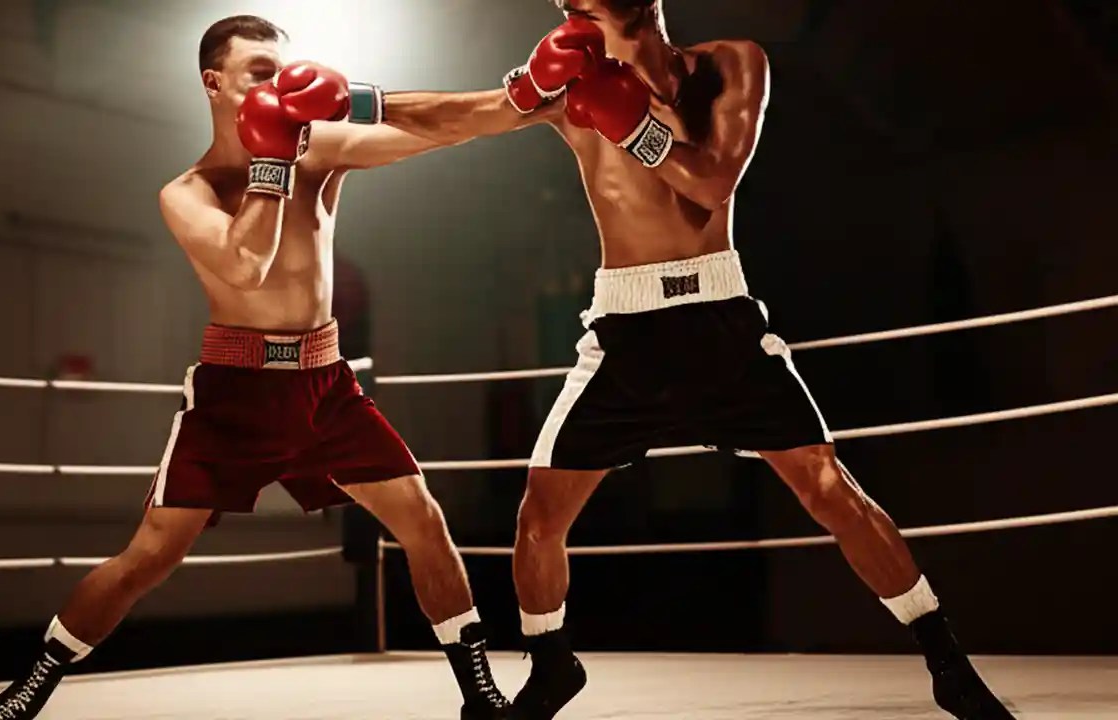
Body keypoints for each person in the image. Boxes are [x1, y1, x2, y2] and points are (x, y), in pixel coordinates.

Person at [371, 2, 1016, 718]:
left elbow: (712, 183)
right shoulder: (567, 80)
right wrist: (355, 101)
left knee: (830, 490)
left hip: (719, 316)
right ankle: (552, 666)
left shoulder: (732, 64)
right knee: (540, 515)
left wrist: (632, 124)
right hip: (624, 326)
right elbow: (465, 115)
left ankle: (948, 663)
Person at [0, 15, 522, 720]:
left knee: (423, 520)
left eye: (283, 69)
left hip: (326, 385)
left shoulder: (322, 150)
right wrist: (271, 159)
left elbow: (443, 130)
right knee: (150, 556)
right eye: (260, 71)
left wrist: (527, 97)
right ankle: (27, 693)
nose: (279, 82)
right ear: (214, 82)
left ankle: (480, 696)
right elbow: (245, 265)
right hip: (236, 394)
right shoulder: (187, 192)